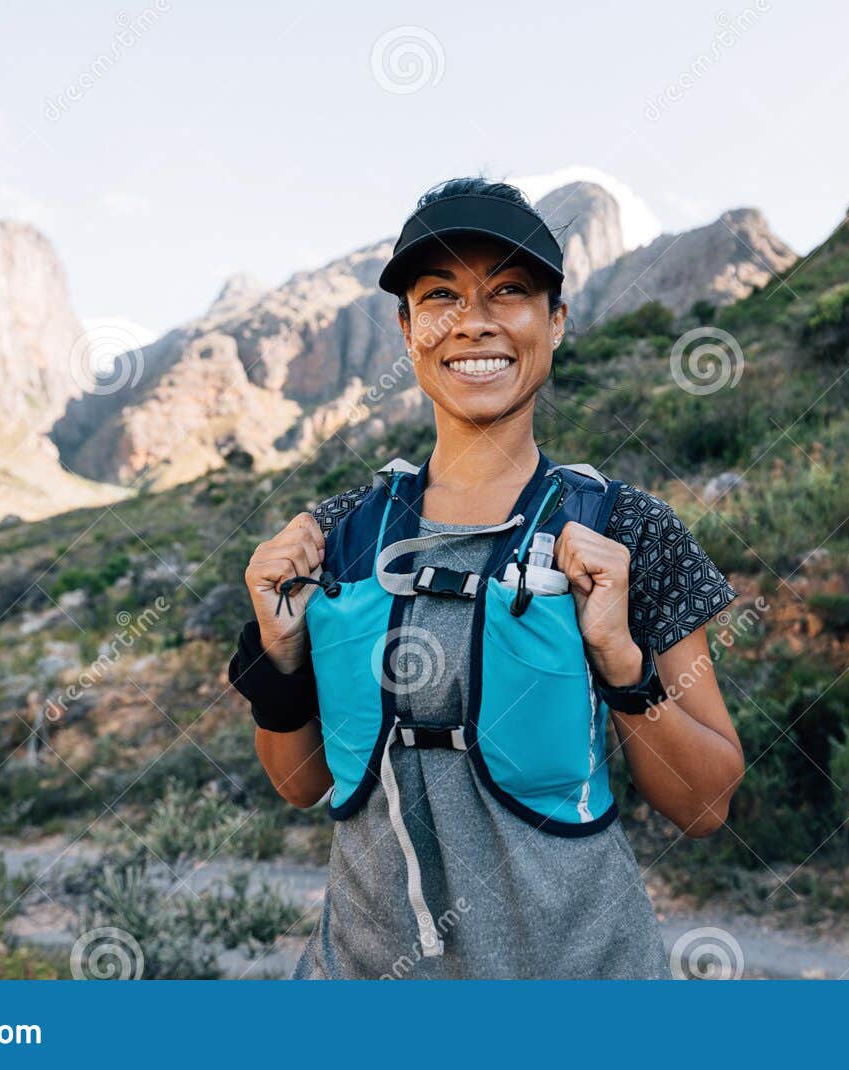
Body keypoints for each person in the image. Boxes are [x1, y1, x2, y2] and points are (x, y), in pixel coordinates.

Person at [230, 176, 745, 979]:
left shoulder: (629, 531)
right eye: (440, 296)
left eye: (509, 291)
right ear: (407, 330)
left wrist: (621, 660)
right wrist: (279, 654)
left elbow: (706, 804)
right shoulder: (335, 535)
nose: (473, 320)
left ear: (557, 321)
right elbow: (300, 784)